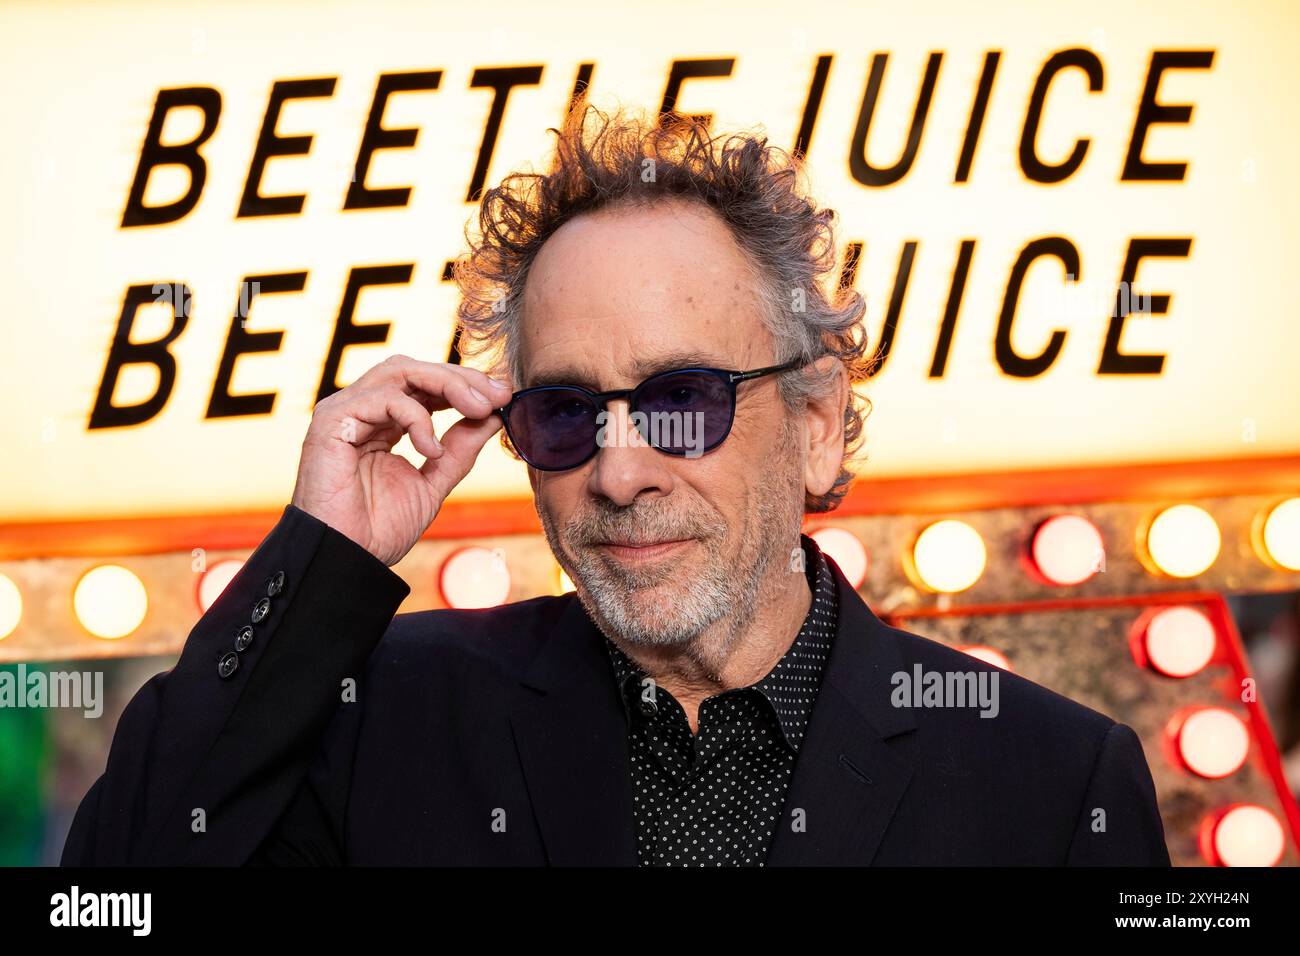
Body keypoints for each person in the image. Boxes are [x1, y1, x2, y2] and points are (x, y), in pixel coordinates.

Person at [62, 105, 1169, 866]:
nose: (620, 471)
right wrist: (319, 564)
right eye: (565, 412)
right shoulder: (380, 713)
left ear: (819, 424)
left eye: (682, 397)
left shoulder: (1050, 778)